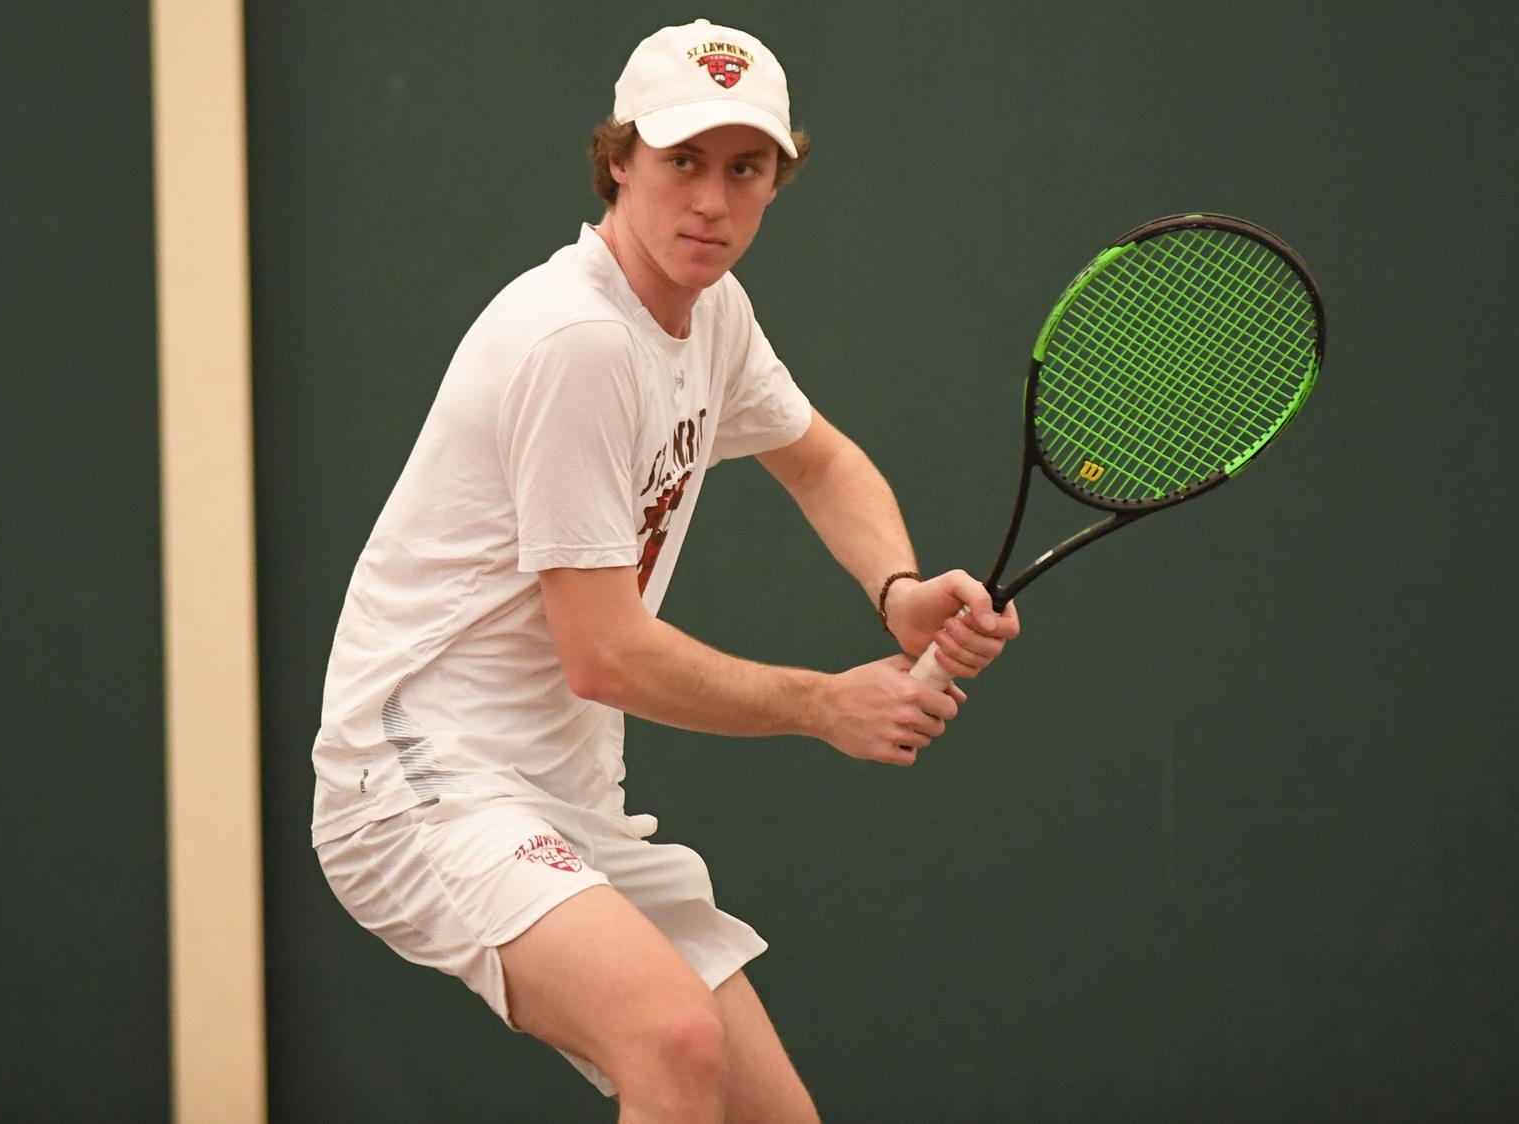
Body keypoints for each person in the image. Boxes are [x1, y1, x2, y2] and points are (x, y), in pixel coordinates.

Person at [312, 19, 1020, 1122]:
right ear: (618, 161)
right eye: (682, 160)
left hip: (561, 797)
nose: (711, 199)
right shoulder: (576, 341)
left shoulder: (710, 317)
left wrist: (896, 589)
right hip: (416, 780)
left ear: (777, 182)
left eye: (745, 169)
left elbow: (820, 460)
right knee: (672, 1037)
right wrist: (826, 702)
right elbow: (601, 653)